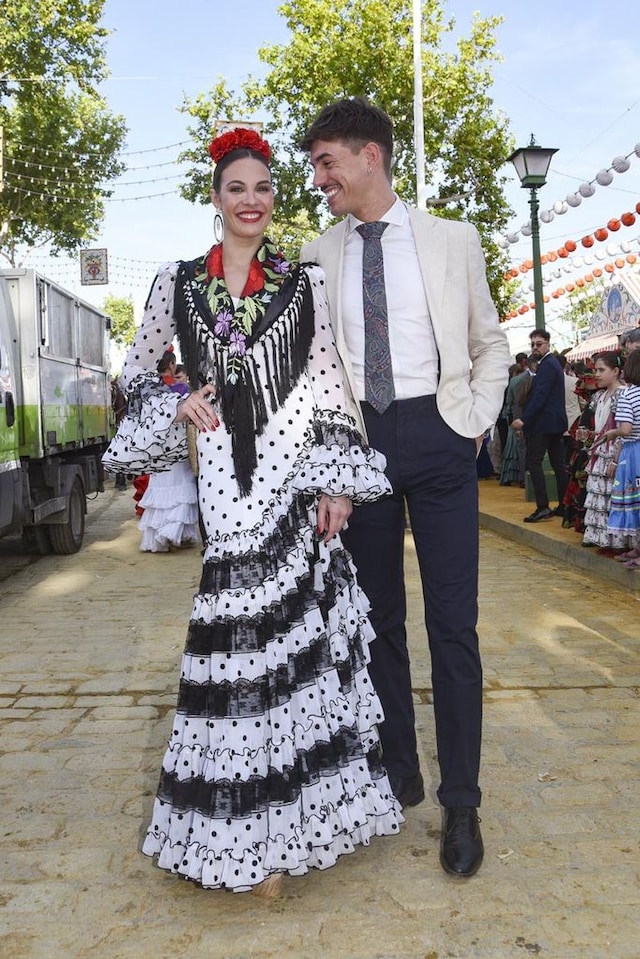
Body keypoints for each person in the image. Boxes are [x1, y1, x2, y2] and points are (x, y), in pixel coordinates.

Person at [105, 126, 402, 895]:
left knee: (288, 650)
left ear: (276, 198)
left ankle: (285, 834)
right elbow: (137, 372)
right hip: (226, 490)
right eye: (236, 188)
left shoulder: (301, 284)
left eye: (263, 188)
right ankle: (242, 835)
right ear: (215, 198)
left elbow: (332, 382)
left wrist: (337, 482)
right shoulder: (174, 282)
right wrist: (180, 398)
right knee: (236, 645)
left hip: (294, 475)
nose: (251, 201)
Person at [300, 97, 510, 878]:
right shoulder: (317, 256)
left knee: (454, 624)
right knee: (378, 618)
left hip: (441, 434)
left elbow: (490, 343)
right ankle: (399, 770)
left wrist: (475, 419)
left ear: (370, 157)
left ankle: (462, 799)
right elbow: (316, 373)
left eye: (328, 162)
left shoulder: (453, 239)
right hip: (363, 444)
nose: (319, 178)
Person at [136, 350, 200, 553]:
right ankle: (175, 534)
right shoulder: (181, 388)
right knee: (182, 486)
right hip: (177, 446)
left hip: (157, 447)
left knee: (160, 487)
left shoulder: (147, 388)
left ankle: (159, 536)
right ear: (172, 365)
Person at [511, 330, 568, 523]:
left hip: (544, 424)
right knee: (558, 465)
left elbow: (539, 397)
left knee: (534, 462)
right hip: (554, 424)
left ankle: (543, 506)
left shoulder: (548, 365)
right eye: (533, 344)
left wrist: (524, 420)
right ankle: (563, 505)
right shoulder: (551, 365)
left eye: (539, 344)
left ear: (548, 345)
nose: (535, 347)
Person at [593, 349, 640, 567]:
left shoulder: (628, 395)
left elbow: (625, 428)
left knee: (632, 501)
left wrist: (611, 433)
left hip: (632, 453)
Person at [581, 352, 625, 550]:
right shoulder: (599, 395)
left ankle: (615, 539)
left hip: (615, 450)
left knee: (612, 494)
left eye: (601, 370)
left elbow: (626, 430)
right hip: (600, 449)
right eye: (595, 370)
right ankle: (598, 536)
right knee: (598, 491)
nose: (597, 375)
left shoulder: (622, 394)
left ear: (615, 371)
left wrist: (616, 458)